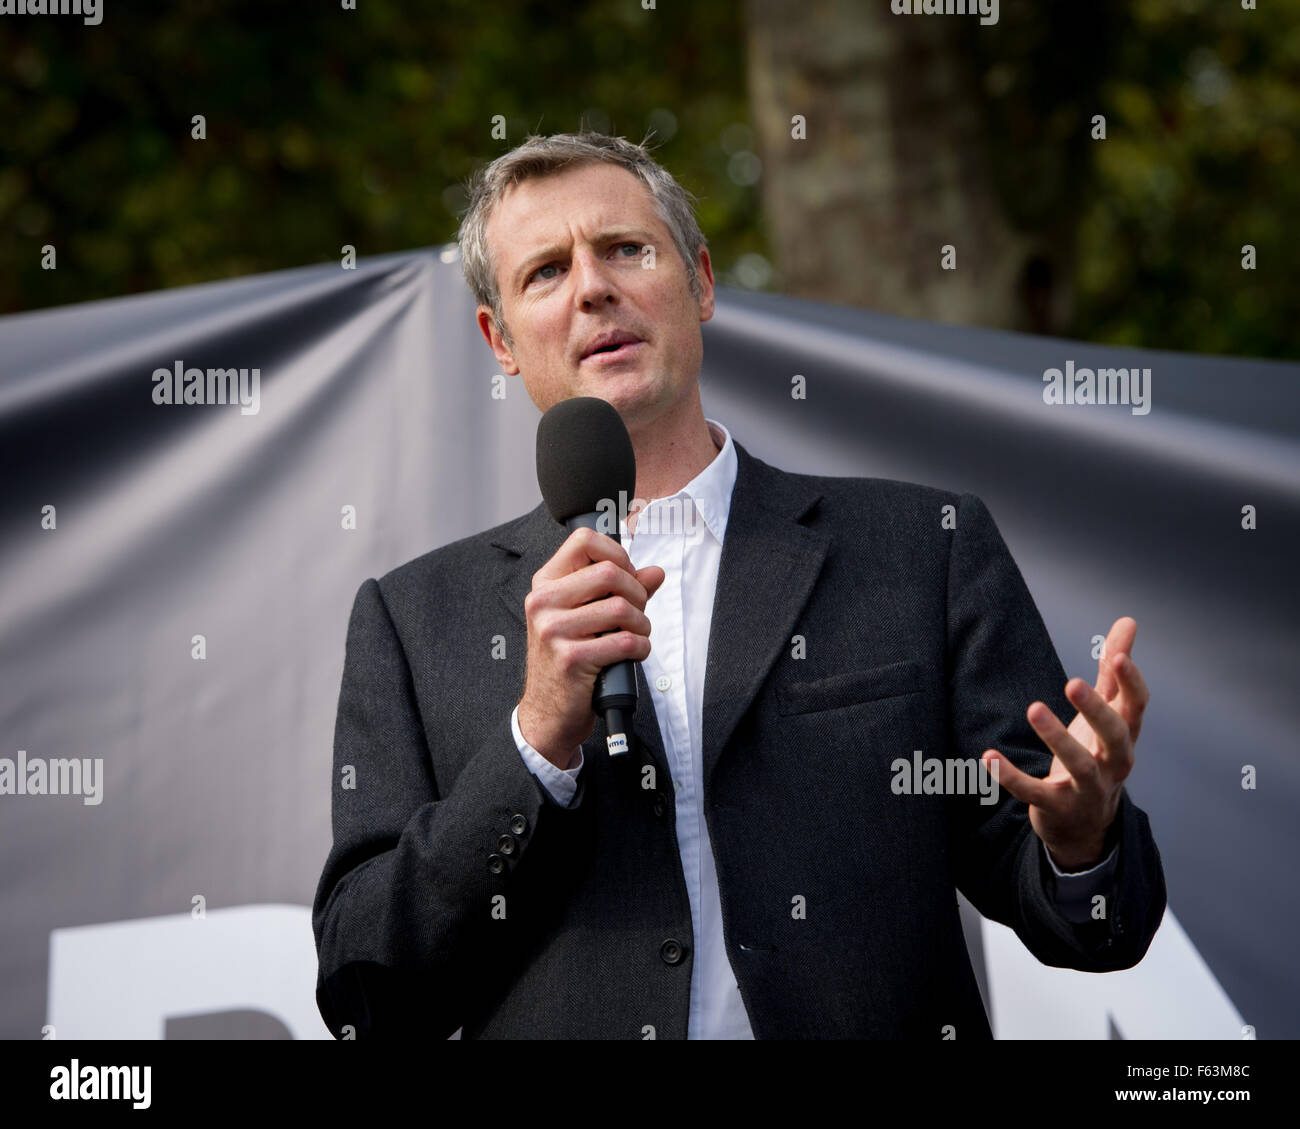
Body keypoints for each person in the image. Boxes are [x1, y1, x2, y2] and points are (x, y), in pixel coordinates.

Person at [311, 131, 1165, 1040]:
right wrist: (534, 744)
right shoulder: (413, 620)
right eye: (546, 271)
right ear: (502, 340)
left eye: (625, 250)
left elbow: (1093, 924)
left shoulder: (920, 549)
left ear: (702, 283)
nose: (593, 286)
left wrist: (1081, 843)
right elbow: (369, 989)